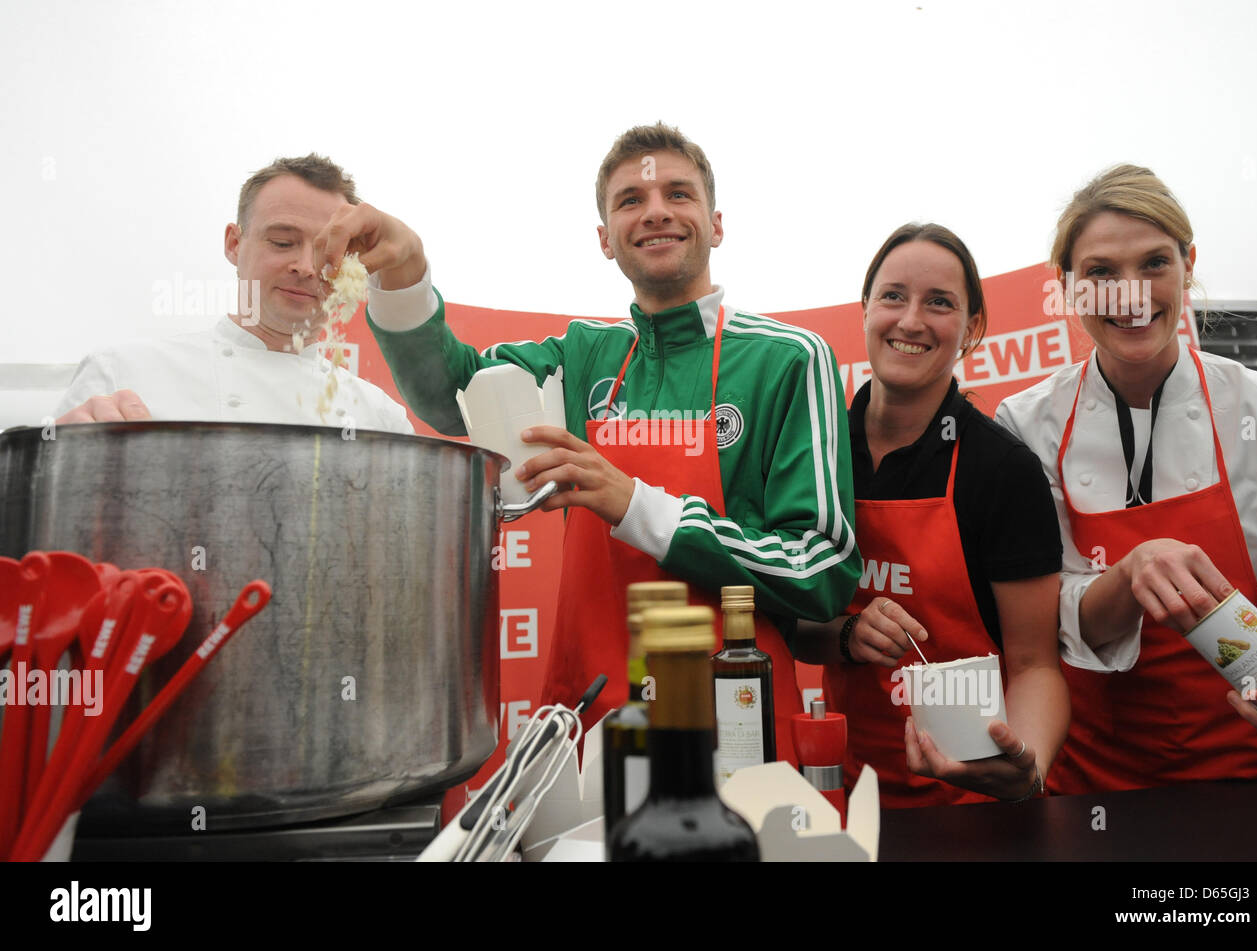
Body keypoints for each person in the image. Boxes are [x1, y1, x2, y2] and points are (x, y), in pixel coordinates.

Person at [319, 123, 861, 760]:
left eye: (678, 195)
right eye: (631, 200)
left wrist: (635, 504)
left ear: (717, 224)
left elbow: (820, 569)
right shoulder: (579, 357)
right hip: (596, 728)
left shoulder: (789, 359)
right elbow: (453, 396)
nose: (656, 211)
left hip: (739, 731)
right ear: (605, 239)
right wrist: (404, 273)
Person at [996, 165, 1257, 793]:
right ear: (1069, 287)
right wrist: (1130, 574)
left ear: (1188, 266)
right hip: (1096, 784)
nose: (1129, 295)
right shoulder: (1025, 424)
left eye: (1155, 263)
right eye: (1101, 271)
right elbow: (1042, 625)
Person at [791, 224, 1068, 808]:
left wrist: (1026, 767)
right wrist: (846, 633)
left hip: (976, 805)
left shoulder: (1002, 469)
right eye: (893, 296)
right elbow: (784, 625)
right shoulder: (814, 451)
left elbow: (1035, 664)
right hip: (844, 795)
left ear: (971, 331)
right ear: (864, 309)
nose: (911, 320)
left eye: (939, 303)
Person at [54, 154, 413, 435]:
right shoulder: (123, 374)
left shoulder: (380, 419)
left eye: (325, 250)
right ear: (234, 244)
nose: (305, 267)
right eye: (283, 242)